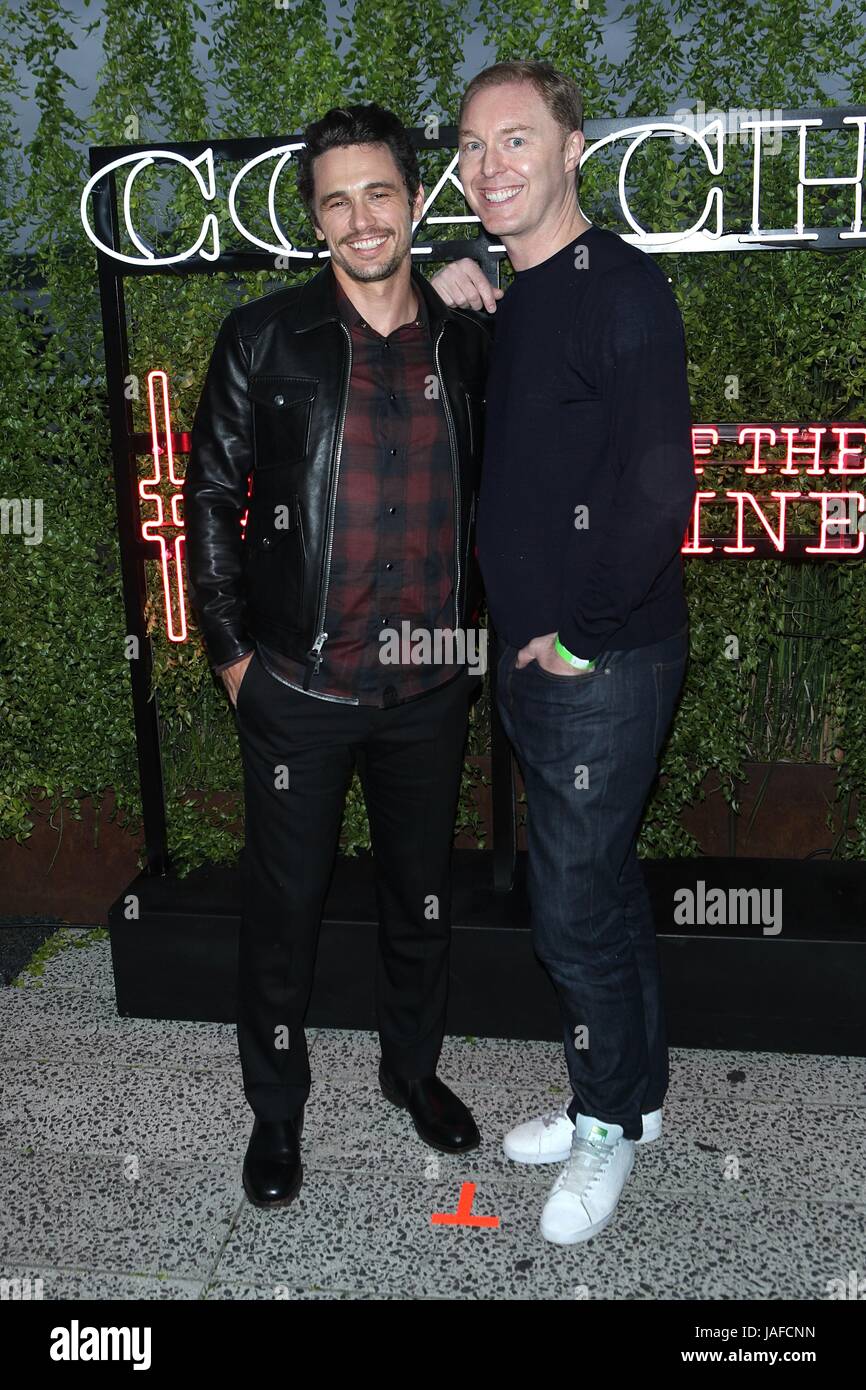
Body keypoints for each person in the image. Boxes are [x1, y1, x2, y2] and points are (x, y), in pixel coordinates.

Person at [183, 102, 491, 1209]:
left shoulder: (466, 337)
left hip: (426, 677)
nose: (359, 218)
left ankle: (410, 1070)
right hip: (298, 686)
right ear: (314, 220)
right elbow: (211, 501)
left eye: (378, 193)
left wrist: (472, 266)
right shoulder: (264, 338)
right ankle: (276, 1114)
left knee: (419, 899)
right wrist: (233, 661)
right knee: (284, 913)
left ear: (412, 200)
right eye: (335, 200)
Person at [431, 61, 697, 1244]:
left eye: (516, 140)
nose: (491, 165)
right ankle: (628, 1103)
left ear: (572, 148)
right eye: (474, 146)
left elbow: (657, 498)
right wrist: (454, 293)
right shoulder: (517, 291)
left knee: (569, 909)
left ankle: (601, 1125)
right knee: (597, 896)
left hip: (602, 660)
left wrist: (577, 643)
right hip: (540, 660)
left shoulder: (620, 289)